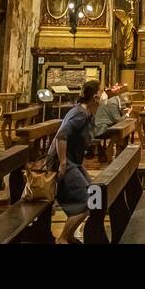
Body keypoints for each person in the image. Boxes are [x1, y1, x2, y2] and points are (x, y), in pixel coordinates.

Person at [49, 80, 101, 243]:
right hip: (63, 162)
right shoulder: (80, 113)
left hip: (73, 162)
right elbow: (61, 136)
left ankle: (77, 235)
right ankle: (64, 238)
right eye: (102, 91)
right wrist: (63, 162)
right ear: (95, 96)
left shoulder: (87, 113)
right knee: (87, 202)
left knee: (96, 195)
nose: (104, 95)